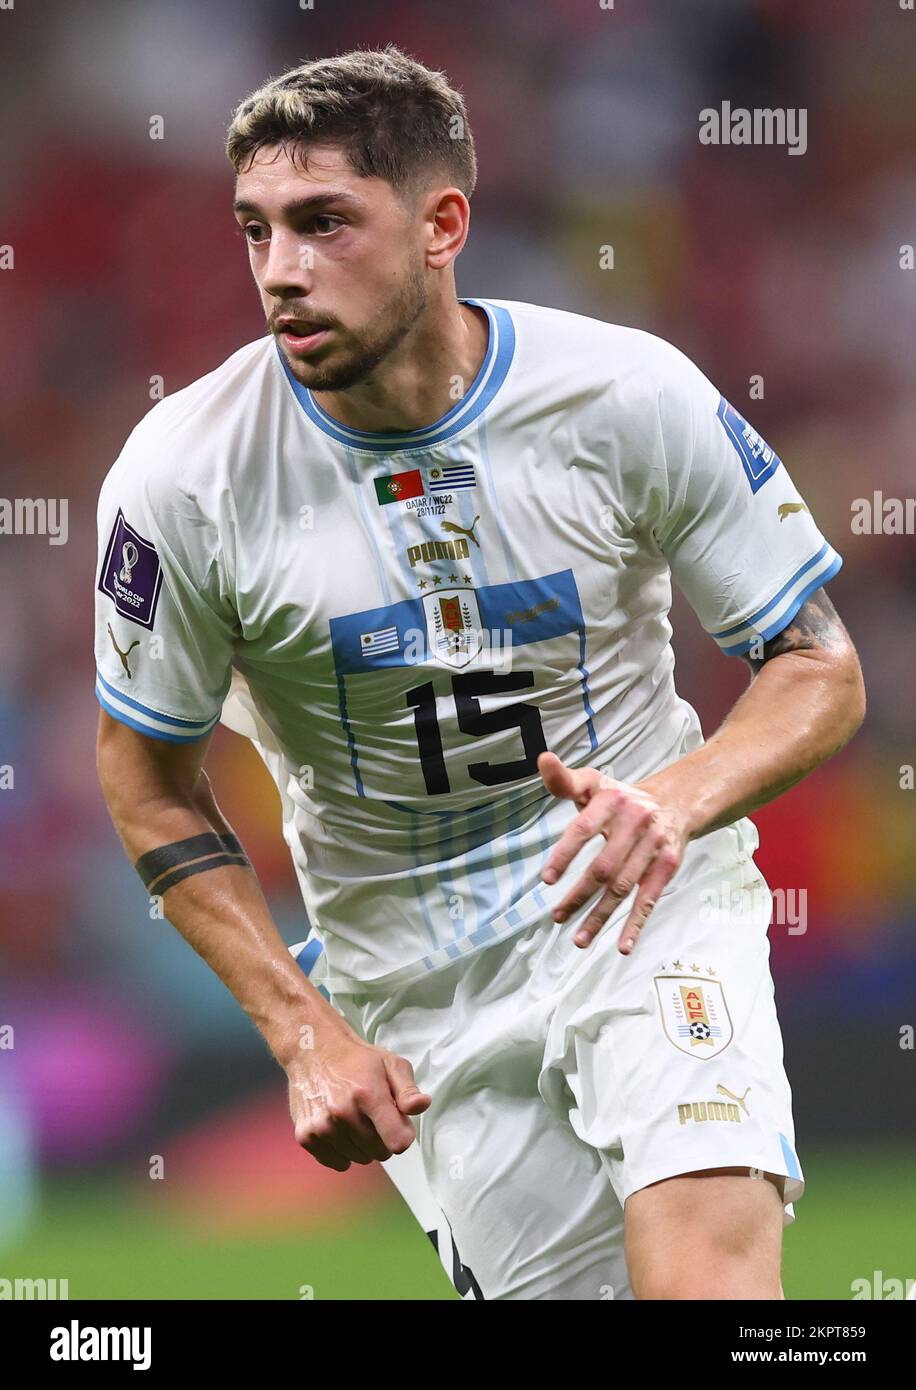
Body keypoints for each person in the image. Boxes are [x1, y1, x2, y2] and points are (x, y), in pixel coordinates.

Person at [94, 45, 865, 1300]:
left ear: (443, 223)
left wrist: (673, 798)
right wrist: (303, 1033)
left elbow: (817, 665)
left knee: (710, 1284)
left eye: (324, 222)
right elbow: (147, 778)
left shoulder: (624, 395)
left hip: (640, 898)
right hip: (414, 978)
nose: (282, 271)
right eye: (256, 230)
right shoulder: (184, 479)